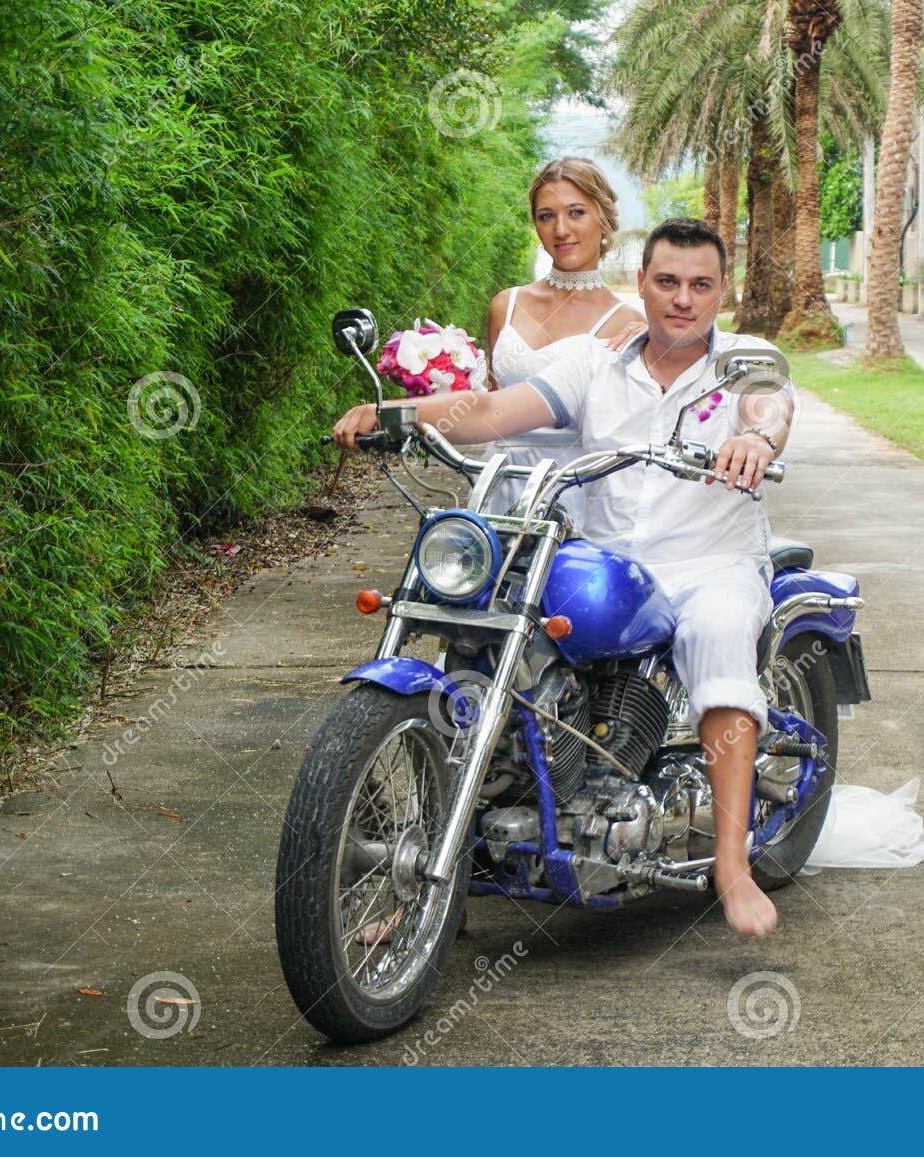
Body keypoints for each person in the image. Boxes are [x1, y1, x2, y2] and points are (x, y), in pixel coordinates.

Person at [334, 218, 795, 939]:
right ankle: (426, 878)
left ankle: (731, 865)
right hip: (605, 560)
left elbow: (771, 405)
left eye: (701, 285)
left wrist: (754, 438)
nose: (682, 300)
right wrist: (392, 414)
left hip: (710, 561)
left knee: (721, 637)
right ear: (639, 283)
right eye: (667, 282)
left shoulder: (745, 363)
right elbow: (486, 411)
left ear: (722, 291)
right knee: (491, 647)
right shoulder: (593, 362)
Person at [482, 158, 644, 520]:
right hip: (500, 486)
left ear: (602, 218)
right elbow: (491, 405)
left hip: (578, 492)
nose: (560, 230)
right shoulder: (505, 306)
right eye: (546, 216)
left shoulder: (629, 324)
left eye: (575, 212)